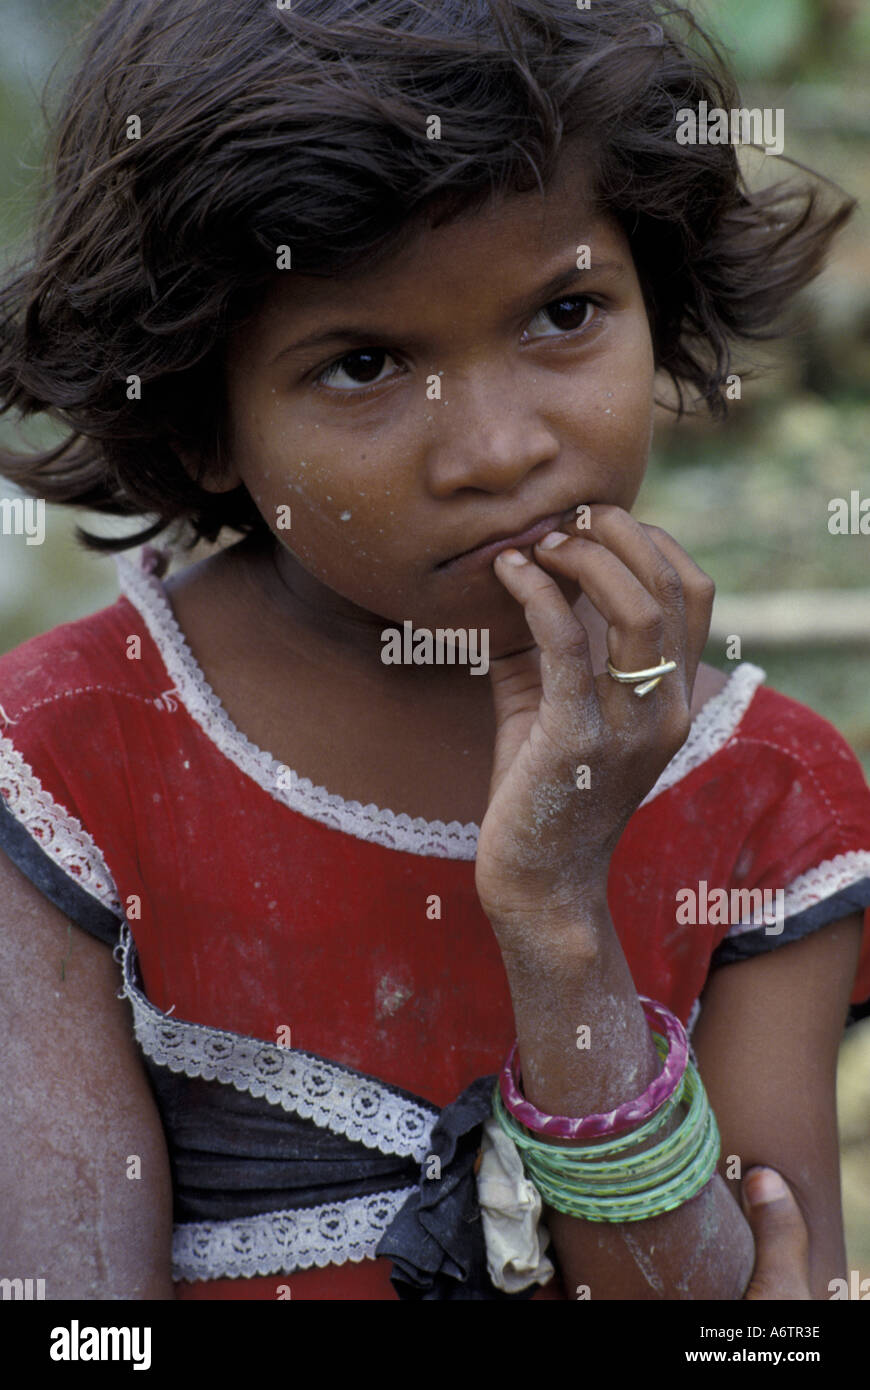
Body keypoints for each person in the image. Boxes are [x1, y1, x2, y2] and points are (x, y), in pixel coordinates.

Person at [0, 0, 867, 1302]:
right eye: (360, 363)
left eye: (563, 311)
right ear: (201, 426)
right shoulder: (65, 759)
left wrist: (559, 907)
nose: (499, 449)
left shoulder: (767, 798)